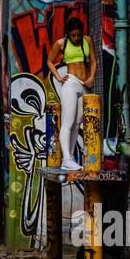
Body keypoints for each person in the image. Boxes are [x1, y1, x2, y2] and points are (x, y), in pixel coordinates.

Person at [46, 17, 96, 171]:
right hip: (71, 83)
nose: (76, 38)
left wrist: (92, 77)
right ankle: (66, 159)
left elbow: (93, 61)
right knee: (67, 122)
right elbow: (50, 61)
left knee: (77, 122)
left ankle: (70, 158)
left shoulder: (87, 40)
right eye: (73, 35)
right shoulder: (61, 43)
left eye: (78, 35)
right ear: (68, 33)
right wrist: (58, 77)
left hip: (85, 86)